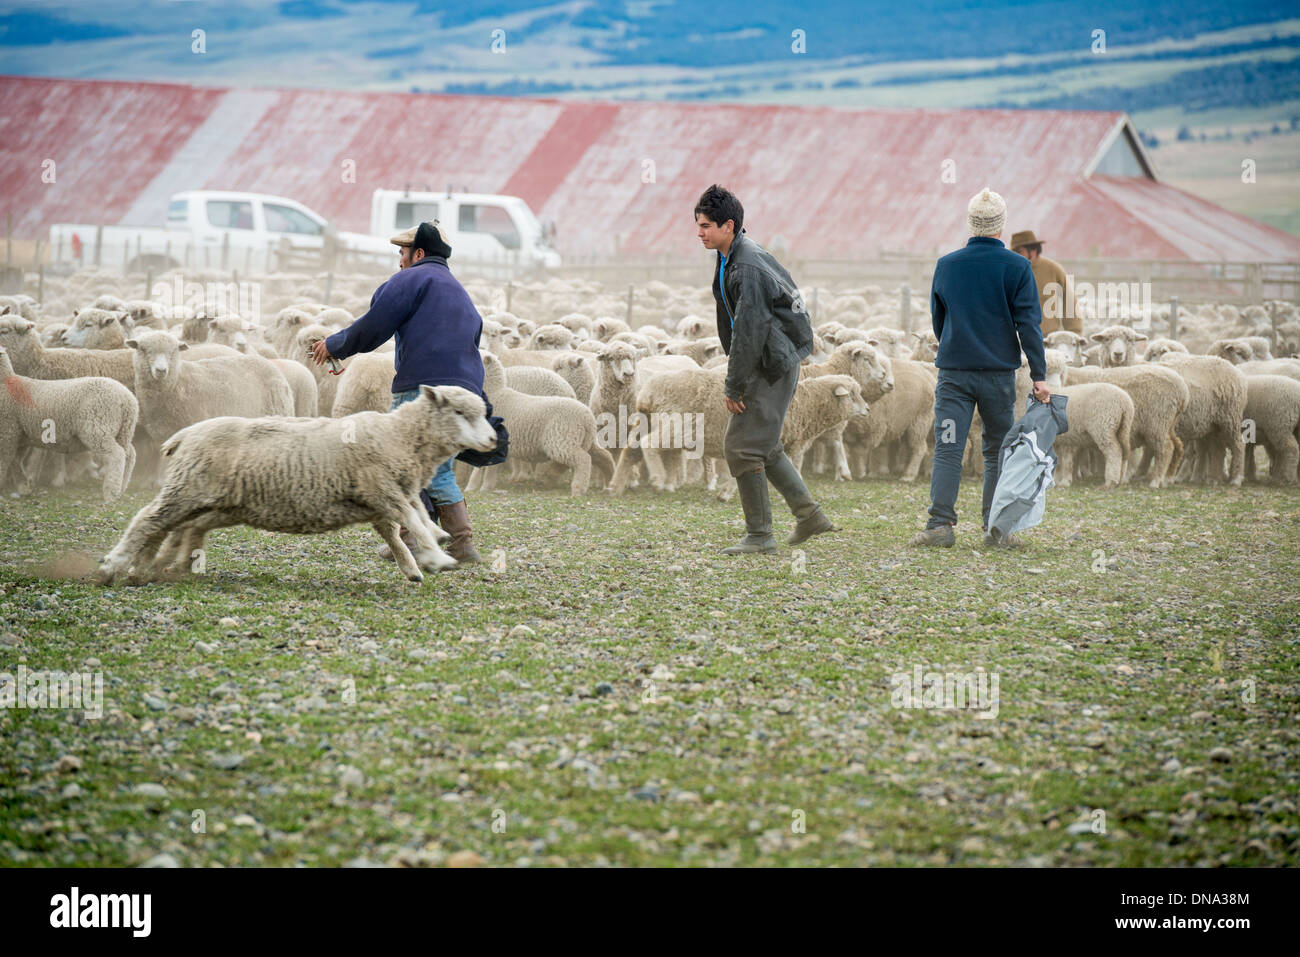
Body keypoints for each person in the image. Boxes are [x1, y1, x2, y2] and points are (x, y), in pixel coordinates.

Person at [311, 221, 486, 563]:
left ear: (419, 253)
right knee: (433, 465)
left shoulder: (410, 280)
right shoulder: (457, 289)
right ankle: (422, 540)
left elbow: (376, 323)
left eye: (403, 253)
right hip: (466, 390)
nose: (400, 261)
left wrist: (334, 345)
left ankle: (459, 543)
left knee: (413, 467)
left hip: (424, 389)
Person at [694, 184, 832, 555]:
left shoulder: (747, 267)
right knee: (762, 444)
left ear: (729, 225)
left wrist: (734, 385)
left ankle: (760, 535)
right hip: (769, 357)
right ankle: (809, 515)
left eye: (706, 225)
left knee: (740, 446)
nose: (700, 232)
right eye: (698, 224)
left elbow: (750, 330)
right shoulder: (731, 256)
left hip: (770, 362)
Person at [912, 188, 1050, 549]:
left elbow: (938, 319)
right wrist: (1039, 375)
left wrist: (956, 344)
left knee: (947, 444)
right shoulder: (1018, 267)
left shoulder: (947, 264)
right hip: (998, 375)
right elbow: (1028, 324)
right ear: (1000, 226)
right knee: (997, 450)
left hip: (954, 374)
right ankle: (995, 527)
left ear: (971, 223)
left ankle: (940, 525)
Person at [1009, 229, 1081, 335]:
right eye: (1013, 252)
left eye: (1019, 251)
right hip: (1018, 340)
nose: (1015, 256)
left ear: (1033, 250)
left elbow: (1069, 300)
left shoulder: (1053, 269)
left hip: (1048, 339)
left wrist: (1074, 331)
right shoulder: (1008, 272)